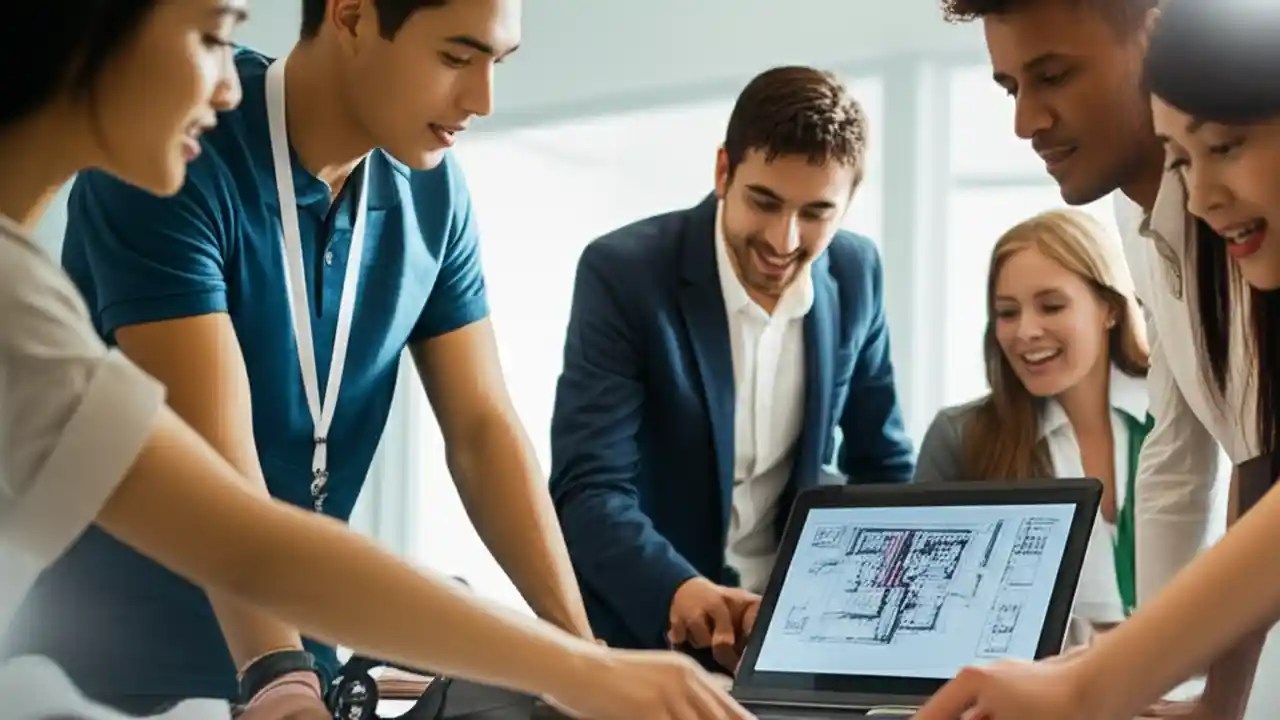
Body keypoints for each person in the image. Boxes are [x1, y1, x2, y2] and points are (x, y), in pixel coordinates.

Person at [0, 2, 755, 720]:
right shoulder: (174, 171)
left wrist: (585, 655)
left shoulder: (430, 193)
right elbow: (240, 525)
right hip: (119, 669)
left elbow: (484, 431)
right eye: (210, 36)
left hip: (302, 649)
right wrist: (277, 671)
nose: (485, 99)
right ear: (352, 14)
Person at [916, 0, 1280, 717]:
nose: (1024, 122)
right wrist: (1189, 694)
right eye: (1011, 88)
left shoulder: (1242, 230)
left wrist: (1106, 680)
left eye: (1051, 75)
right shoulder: (1162, 219)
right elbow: (1239, 459)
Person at [548, 65, 915, 672]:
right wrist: (678, 591)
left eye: (816, 212)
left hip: (795, 640)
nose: (783, 239)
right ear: (724, 171)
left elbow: (883, 467)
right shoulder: (625, 274)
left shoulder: (856, 274)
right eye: (764, 202)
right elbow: (589, 490)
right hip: (643, 641)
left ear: (848, 202)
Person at [914, 208, 1150, 646]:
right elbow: (928, 613)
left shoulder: (1177, 417)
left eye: (1052, 306)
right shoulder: (960, 438)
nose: (1025, 331)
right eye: (1007, 312)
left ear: (1110, 309)